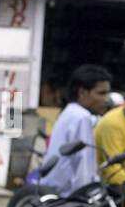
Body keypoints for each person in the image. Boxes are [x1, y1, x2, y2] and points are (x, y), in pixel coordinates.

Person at [38, 64, 112, 197]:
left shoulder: (70, 112)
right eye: (101, 93)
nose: (106, 99)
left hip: (53, 190)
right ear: (82, 92)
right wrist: (87, 197)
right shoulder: (82, 117)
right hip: (68, 196)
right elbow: (83, 165)